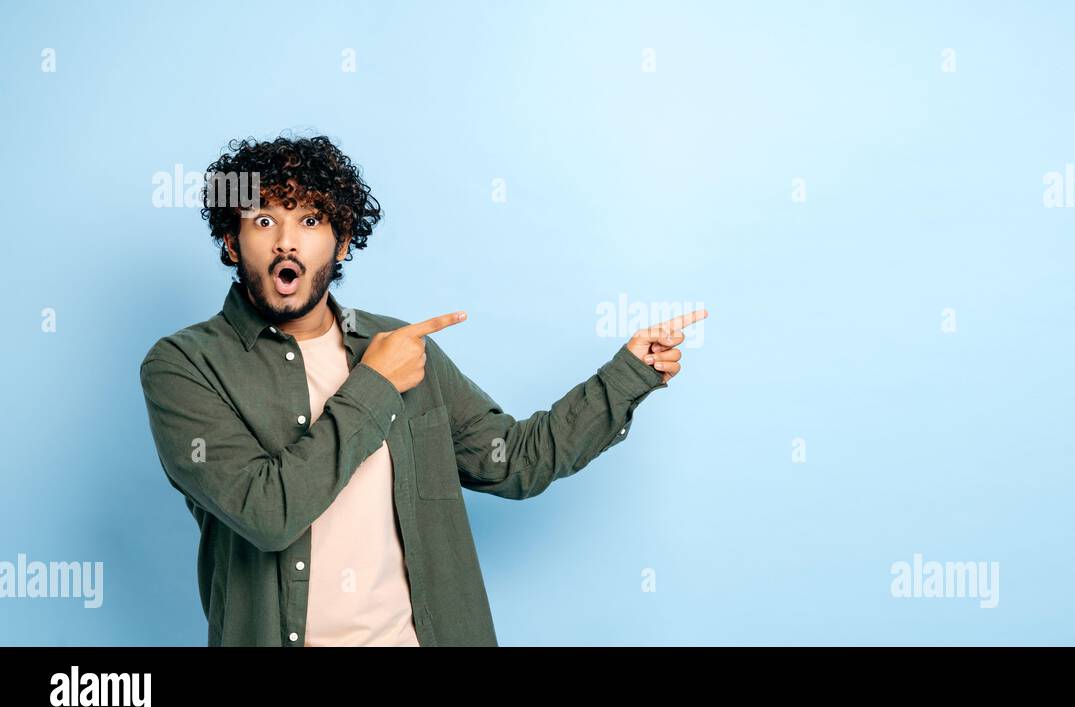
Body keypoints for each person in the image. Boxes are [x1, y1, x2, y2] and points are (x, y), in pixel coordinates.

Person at [138, 135, 707, 646]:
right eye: (264, 221)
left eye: (310, 221)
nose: (287, 242)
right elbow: (267, 513)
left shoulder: (401, 346)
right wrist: (375, 385)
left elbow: (516, 462)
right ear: (232, 242)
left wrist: (628, 374)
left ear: (341, 244)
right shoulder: (184, 365)